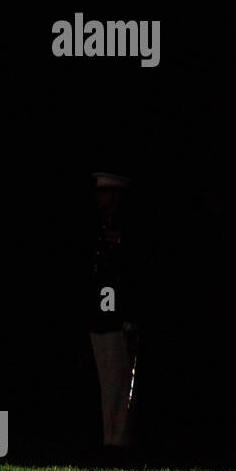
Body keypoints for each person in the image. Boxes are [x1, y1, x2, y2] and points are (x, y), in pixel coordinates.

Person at [88, 171, 137, 452]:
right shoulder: (101, 228)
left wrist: (128, 315)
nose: (100, 198)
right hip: (102, 316)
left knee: (120, 380)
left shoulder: (124, 229)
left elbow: (127, 276)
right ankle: (111, 438)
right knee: (108, 381)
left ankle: (119, 440)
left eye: (105, 193)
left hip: (118, 317)